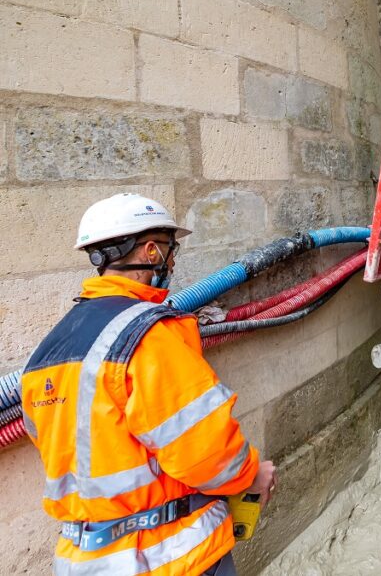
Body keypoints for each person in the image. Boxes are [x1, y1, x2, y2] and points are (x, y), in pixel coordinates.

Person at [20, 193, 276, 575]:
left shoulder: (48, 351)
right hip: (170, 556)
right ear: (152, 251)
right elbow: (206, 452)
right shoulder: (150, 335)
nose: (173, 261)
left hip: (83, 561)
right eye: (172, 250)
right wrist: (252, 473)